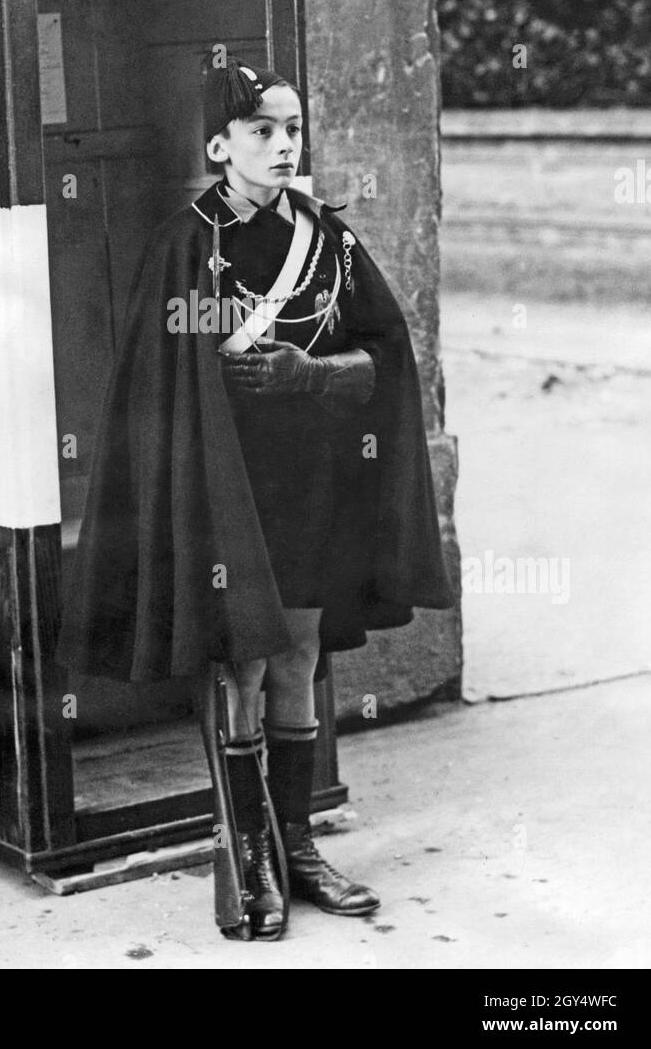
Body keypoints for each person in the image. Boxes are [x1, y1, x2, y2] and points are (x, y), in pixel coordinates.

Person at [55, 56, 453, 942]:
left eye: (292, 130)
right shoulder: (186, 244)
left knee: (300, 649)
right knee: (239, 655)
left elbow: (386, 354)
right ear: (219, 143)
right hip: (222, 484)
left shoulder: (331, 243)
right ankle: (250, 851)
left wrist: (312, 371)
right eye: (262, 131)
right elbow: (171, 382)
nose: (282, 146)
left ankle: (300, 843)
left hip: (310, 477)